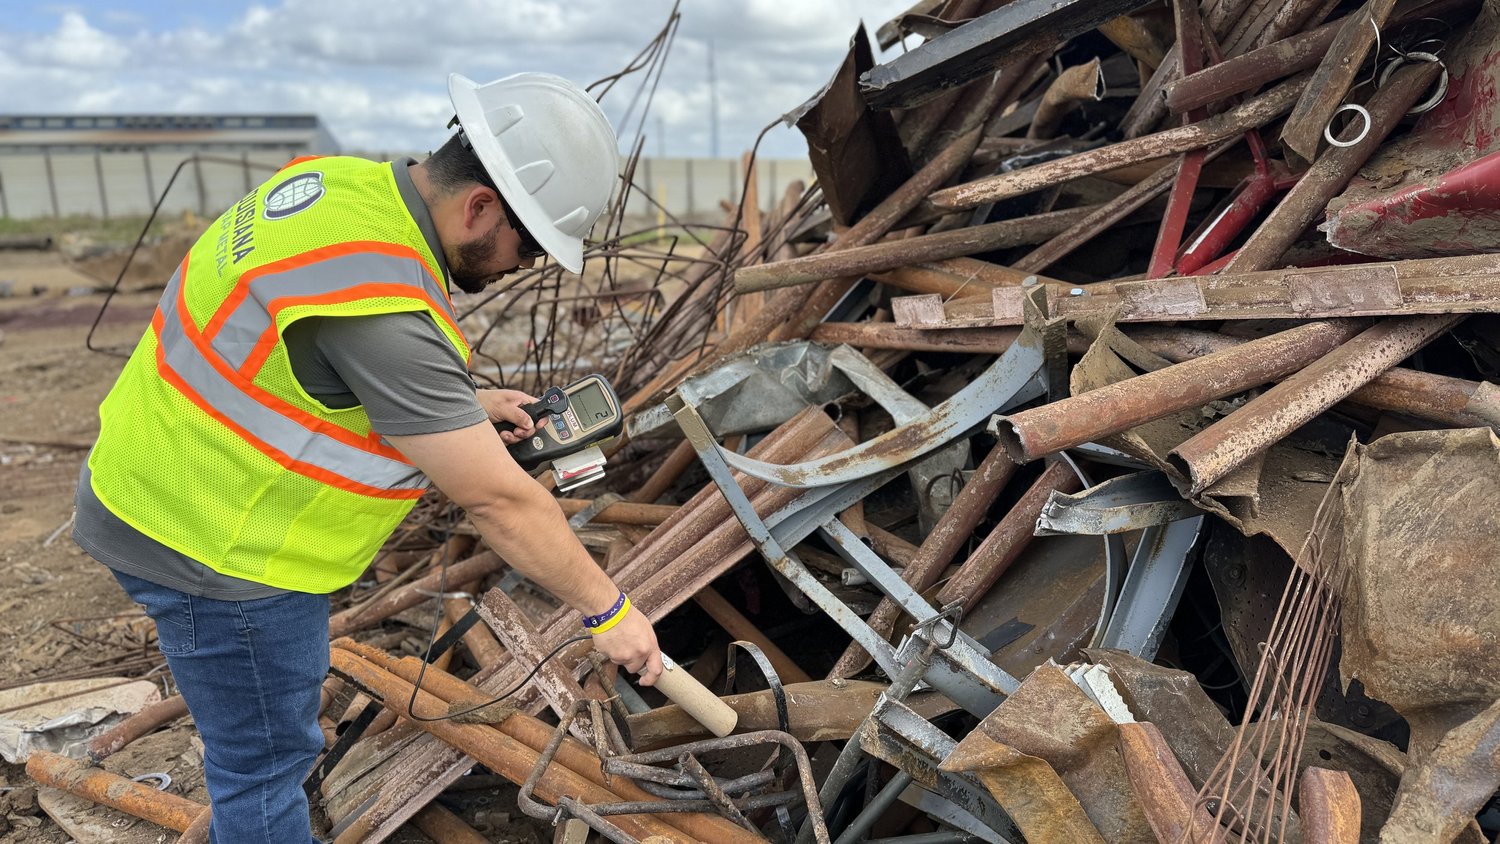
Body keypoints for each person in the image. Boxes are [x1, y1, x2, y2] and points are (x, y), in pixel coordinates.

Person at [72, 72, 662, 844]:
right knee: (266, 767)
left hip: (155, 484)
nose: (524, 267)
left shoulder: (336, 188)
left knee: (263, 750)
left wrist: (458, 408)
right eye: (530, 245)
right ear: (480, 206)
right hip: (216, 549)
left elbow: (300, 357)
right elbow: (500, 504)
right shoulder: (381, 302)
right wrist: (608, 610)